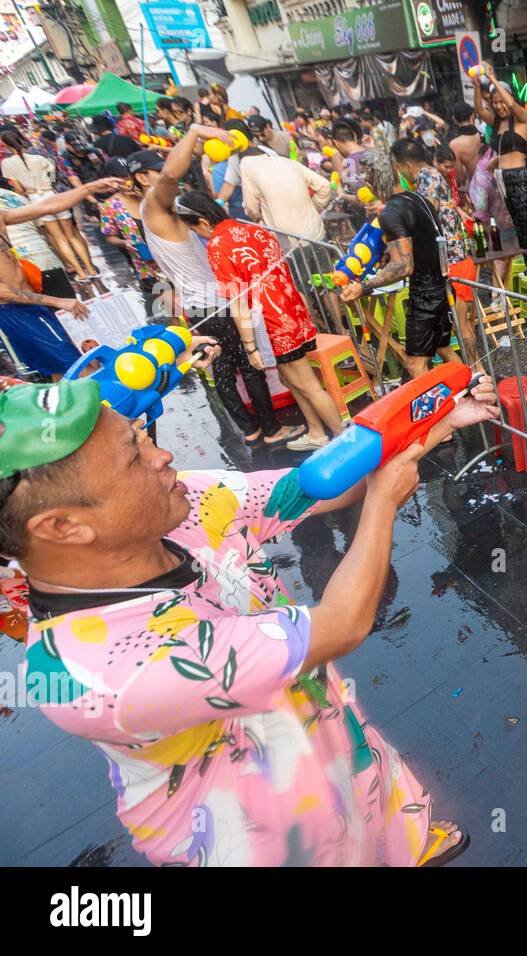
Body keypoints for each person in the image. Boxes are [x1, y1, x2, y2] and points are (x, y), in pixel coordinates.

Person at [2, 371, 500, 866]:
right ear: (62, 526)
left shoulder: (176, 505)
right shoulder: (90, 672)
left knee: (364, 785)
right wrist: (383, 503)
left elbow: (308, 488)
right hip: (255, 833)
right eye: (134, 458)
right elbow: (340, 624)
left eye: (139, 434)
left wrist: (429, 422)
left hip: (315, 720)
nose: (162, 455)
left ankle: (404, 843)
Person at [136, 131, 296, 445]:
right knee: (248, 368)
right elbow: (171, 174)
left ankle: (250, 431)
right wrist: (195, 130)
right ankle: (272, 431)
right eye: (158, 171)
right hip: (215, 303)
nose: (171, 178)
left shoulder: (160, 213)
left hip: (200, 305)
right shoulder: (153, 205)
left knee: (221, 369)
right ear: (143, 178)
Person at [177, 192, 345, 451]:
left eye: (193, 228)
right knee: (291, 381)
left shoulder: (218, 245)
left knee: (308, 384)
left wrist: (250, 346)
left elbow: (238, 300)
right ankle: (316, 433)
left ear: (201, 221)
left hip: (272, 323)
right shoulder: (252, 227)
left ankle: (346, 438)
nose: (197, 234)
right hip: (292, 309)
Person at [340, 138, 457, 380]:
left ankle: (435, 417)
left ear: (374, 178)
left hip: (425, 295)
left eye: (365, 176)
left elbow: (403, 265)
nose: (365, 182)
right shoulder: (418, 199)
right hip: (442, 287)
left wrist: (363, 287)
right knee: (444, 349)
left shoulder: (391, 213)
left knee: (415, 364)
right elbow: (421, 242)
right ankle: (476, 390)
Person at [0, 177, 119, 376]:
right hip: (14, 313)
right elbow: (2, 292)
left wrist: (89, 187)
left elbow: (47, 206)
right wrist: (57, 301)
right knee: (81, 369)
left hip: (31, 305)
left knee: (62, 372)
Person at [473, 62, 527, 281]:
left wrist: (492, 79)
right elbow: (480, 110)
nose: (499, 106)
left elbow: (510, 102)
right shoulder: (496, 122)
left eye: (501, 101)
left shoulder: (520, 119)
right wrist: (475, 86)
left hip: (520, 177)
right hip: (503, 179)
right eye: (495, 102)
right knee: (519, 224)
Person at [414, 143, 480, 370]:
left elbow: (428, 213)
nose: (448, 170)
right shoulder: (435, 178)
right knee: (459, 324)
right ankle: (474, 369)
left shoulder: (429, 176)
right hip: (454, 259)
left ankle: (475, 369)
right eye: (446, 166)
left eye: (451, 167)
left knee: (461, 325)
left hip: (454, 261)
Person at [1, 130, 97, 282]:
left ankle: (81, 273)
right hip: (51, 196)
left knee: (59, 239)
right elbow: (53, 176)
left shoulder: (6, 163)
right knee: (71, 235)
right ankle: (91, 269)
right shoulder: (39, 158)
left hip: (35, 200)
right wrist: (47, 185)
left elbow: (19, 189)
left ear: (5, 145)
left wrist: (28, 191)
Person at [97, 162, 163, 318]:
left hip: (170, 255)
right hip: (147, 265)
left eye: (128, 177)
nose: (126, 181)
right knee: (162, 307)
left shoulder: (148, 194)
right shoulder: (110, 206)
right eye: (121, 178)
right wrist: (124, 243)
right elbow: (109, 236)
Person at [238, 140, 333, 242]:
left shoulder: (246, 165)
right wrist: (313, 207)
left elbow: (250, 208)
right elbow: (325, 186)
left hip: (290, 242)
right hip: (317, 234)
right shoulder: (287, 161)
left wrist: (260, 217)